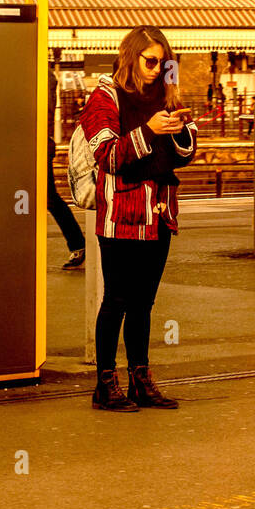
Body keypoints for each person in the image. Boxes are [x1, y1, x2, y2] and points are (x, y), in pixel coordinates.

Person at [80, 26, 198, 411]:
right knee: (116, 299)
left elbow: (184, 154)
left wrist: (181, 130)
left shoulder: (165, 95)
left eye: (163, 63)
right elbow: (109, 157)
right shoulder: (103, 98)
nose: (157, 69)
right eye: (150, 61)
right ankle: (105, 383)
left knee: (144, 303)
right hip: (121, 213)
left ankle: (141, 380)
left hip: (160, 214)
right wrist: (148, 130)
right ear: (131, 57)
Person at [47, 64, 86, 271]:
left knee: (48, 199)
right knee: (48, 199)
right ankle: (78, 244)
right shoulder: (43, 73)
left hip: (34, 145)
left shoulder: (39, 74)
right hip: (34, 144)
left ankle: (78, 244)